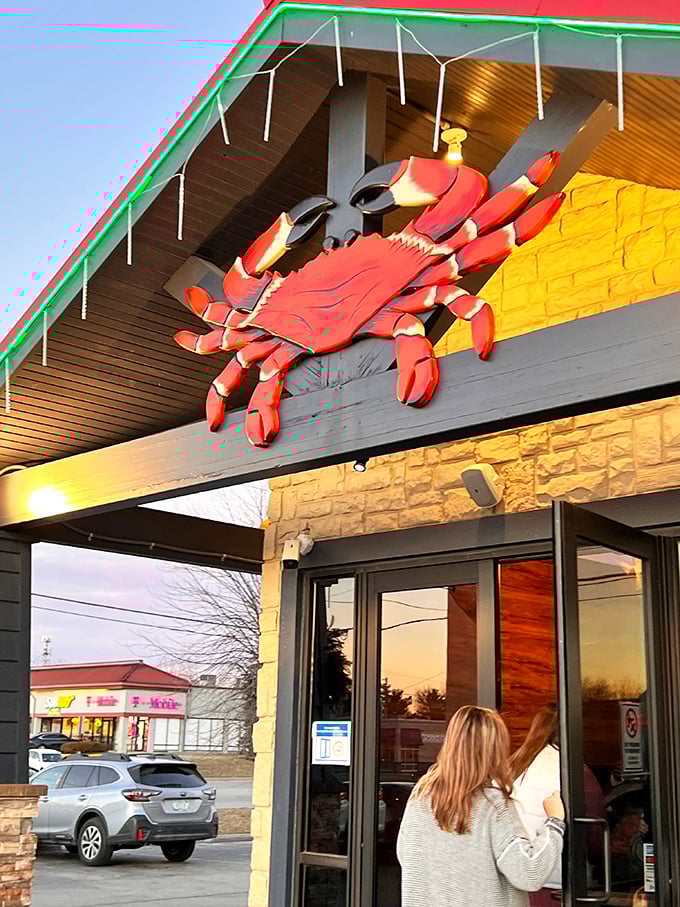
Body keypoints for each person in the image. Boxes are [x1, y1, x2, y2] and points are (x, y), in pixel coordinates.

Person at [397, 705, 565, 907]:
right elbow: (528, 874)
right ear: (494, 749)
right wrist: (554, 822)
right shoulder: (493, 806)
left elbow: (405, 856)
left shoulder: (420, 797)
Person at [511, 705, 606, 906]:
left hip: (513, 881)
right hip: (557, 885)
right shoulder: (575, 772)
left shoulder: (512, 769)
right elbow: (594, 837)